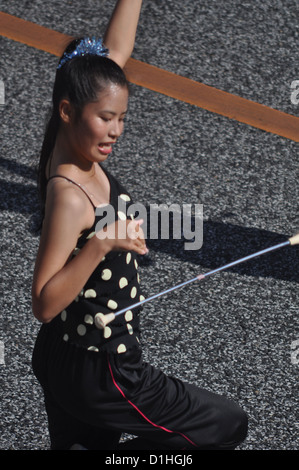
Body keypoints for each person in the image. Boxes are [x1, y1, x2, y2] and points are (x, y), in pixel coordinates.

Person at [31, 0, 248, 450]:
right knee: (224, 425)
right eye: (105, 118)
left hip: (64, 353)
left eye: (122, 118)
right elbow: (44, 303)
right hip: (103, 368)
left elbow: (112, 54)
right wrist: (102, 244)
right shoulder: (70, 196)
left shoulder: (75, 108)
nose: (115, 131)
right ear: (69, 111)